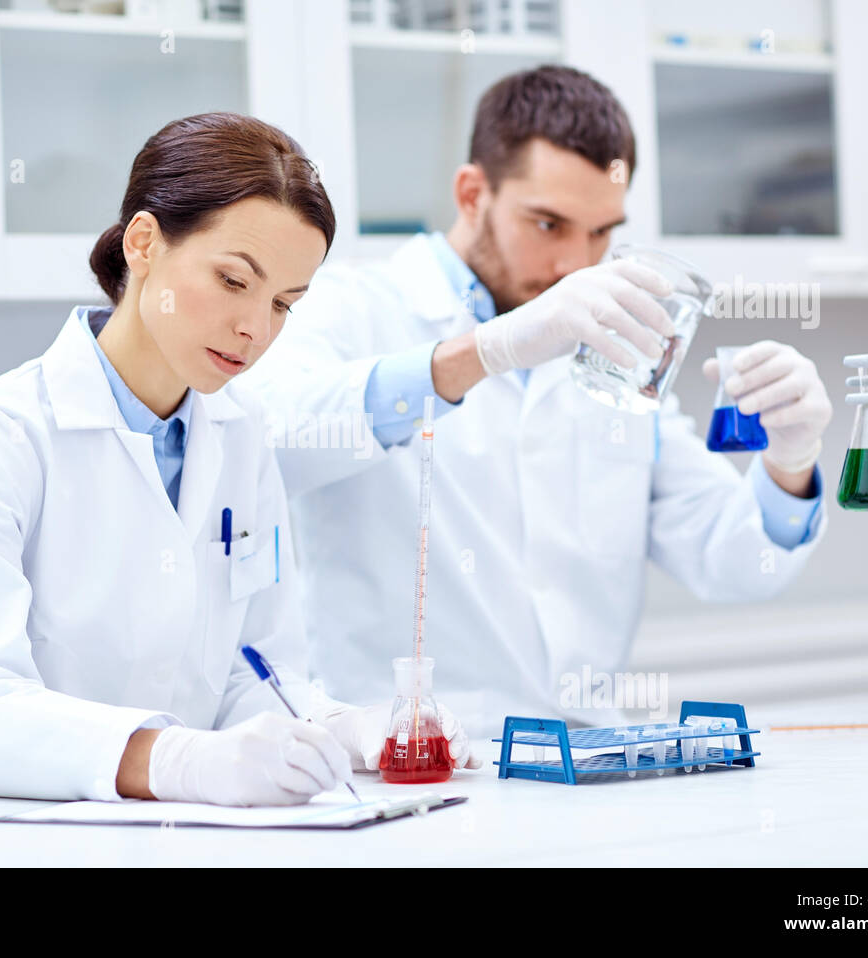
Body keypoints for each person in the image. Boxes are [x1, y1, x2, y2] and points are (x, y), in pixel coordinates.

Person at [0, 112, 480, 807]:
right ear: (144, 243)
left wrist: (338, 728)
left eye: (284, 303)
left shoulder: (241, 436)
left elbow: (255, 670)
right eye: (232, 280)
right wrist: (182, 760)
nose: (256, 328)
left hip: (153, 836)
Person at [241, 66, 834, 735]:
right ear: (472, 194)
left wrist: (791, 457)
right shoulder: (353, 308)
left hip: (585, 761)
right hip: (403, 764)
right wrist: (483, 353)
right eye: (548, 224)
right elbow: (267, 441)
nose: (576, 264)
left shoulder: (617, 357)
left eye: (602, 231)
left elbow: (737, 563)